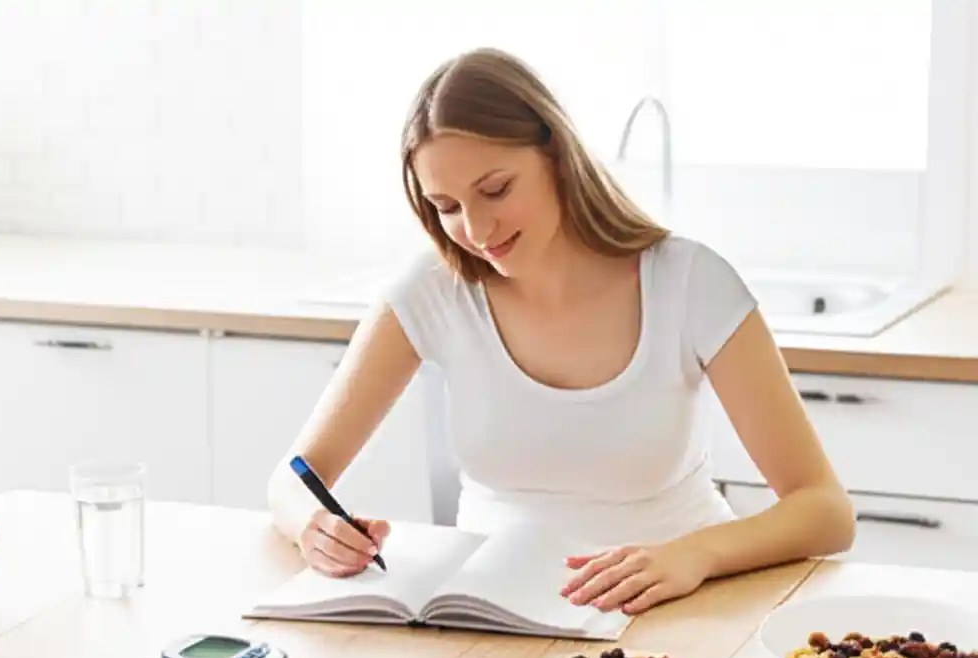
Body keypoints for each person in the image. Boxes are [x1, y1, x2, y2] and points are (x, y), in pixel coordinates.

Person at [267, 48, 854, 616]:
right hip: (495, 615)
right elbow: (293, 479)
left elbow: (825, 509)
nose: (477, 229)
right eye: (447, 207)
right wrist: (313, 526)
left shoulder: (689, 281)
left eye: (496, 190)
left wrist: (692, 555)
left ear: (556, 155)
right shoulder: (434, 289)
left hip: (683, 606)